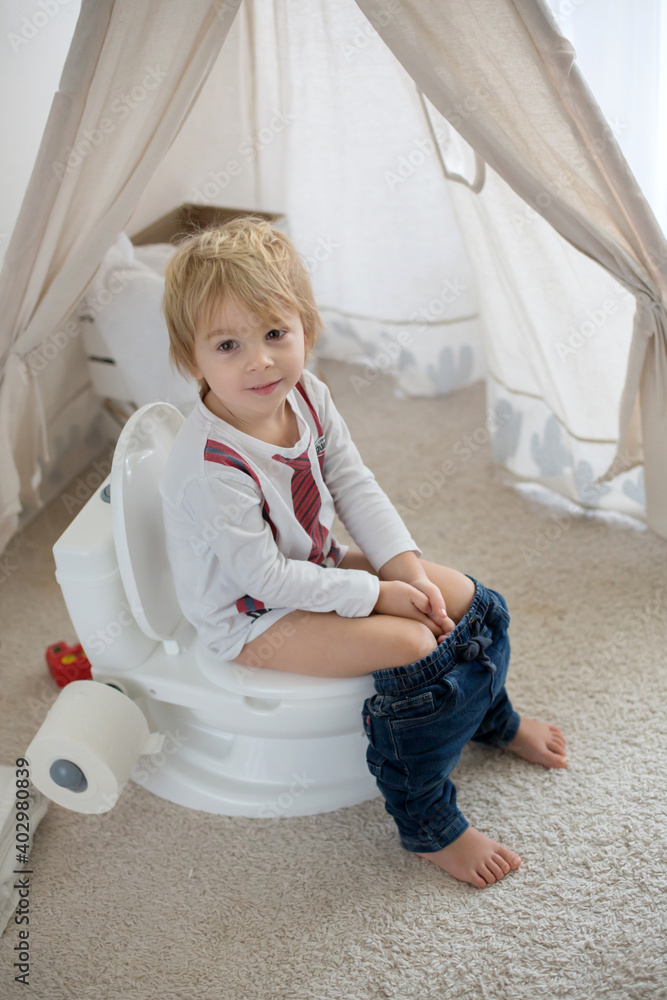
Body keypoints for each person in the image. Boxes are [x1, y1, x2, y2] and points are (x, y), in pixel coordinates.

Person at [159, 216, 567, 889]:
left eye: (274, 334)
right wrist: (377, 594)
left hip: (310, 567)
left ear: (306, 329)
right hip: (249, 617)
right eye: (228, 345)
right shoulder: (210, 465)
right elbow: (261, 576)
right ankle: (427, 822)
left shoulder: (307, 395)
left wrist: (402, 570)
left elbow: (351, 482)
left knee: (468, 601)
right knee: (414, 649)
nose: (259, 360)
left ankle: (491, 718)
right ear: (191, 359)